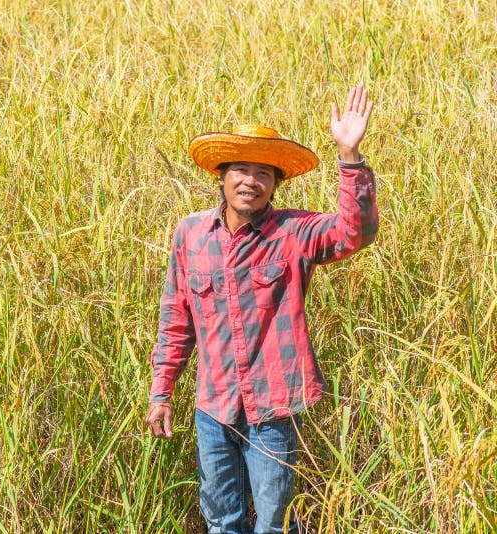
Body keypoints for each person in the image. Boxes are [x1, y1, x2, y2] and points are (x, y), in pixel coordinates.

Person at [146, 85, 378, 533]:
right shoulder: (190, 234)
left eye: (263, 173)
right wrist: (161, 392)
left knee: (274, 522)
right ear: (221, 175)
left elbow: (355, 233)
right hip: (212, 408)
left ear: (275, 184)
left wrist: (350, 156)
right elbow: (176, 322)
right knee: (221, 521)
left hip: (272, 408)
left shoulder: (293, 231)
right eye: (240, 169)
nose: (250, 180)